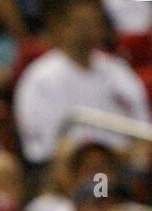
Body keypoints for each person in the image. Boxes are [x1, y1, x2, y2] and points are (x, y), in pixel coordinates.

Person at [13, 0, 150, 167]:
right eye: (82, 24)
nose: (89, 30)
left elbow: (143, 133)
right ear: (59, 26)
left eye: (95, 22)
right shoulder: (40, 79)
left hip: (126, 171)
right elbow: (42, 150)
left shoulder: (119, 72)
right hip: (73, 173)